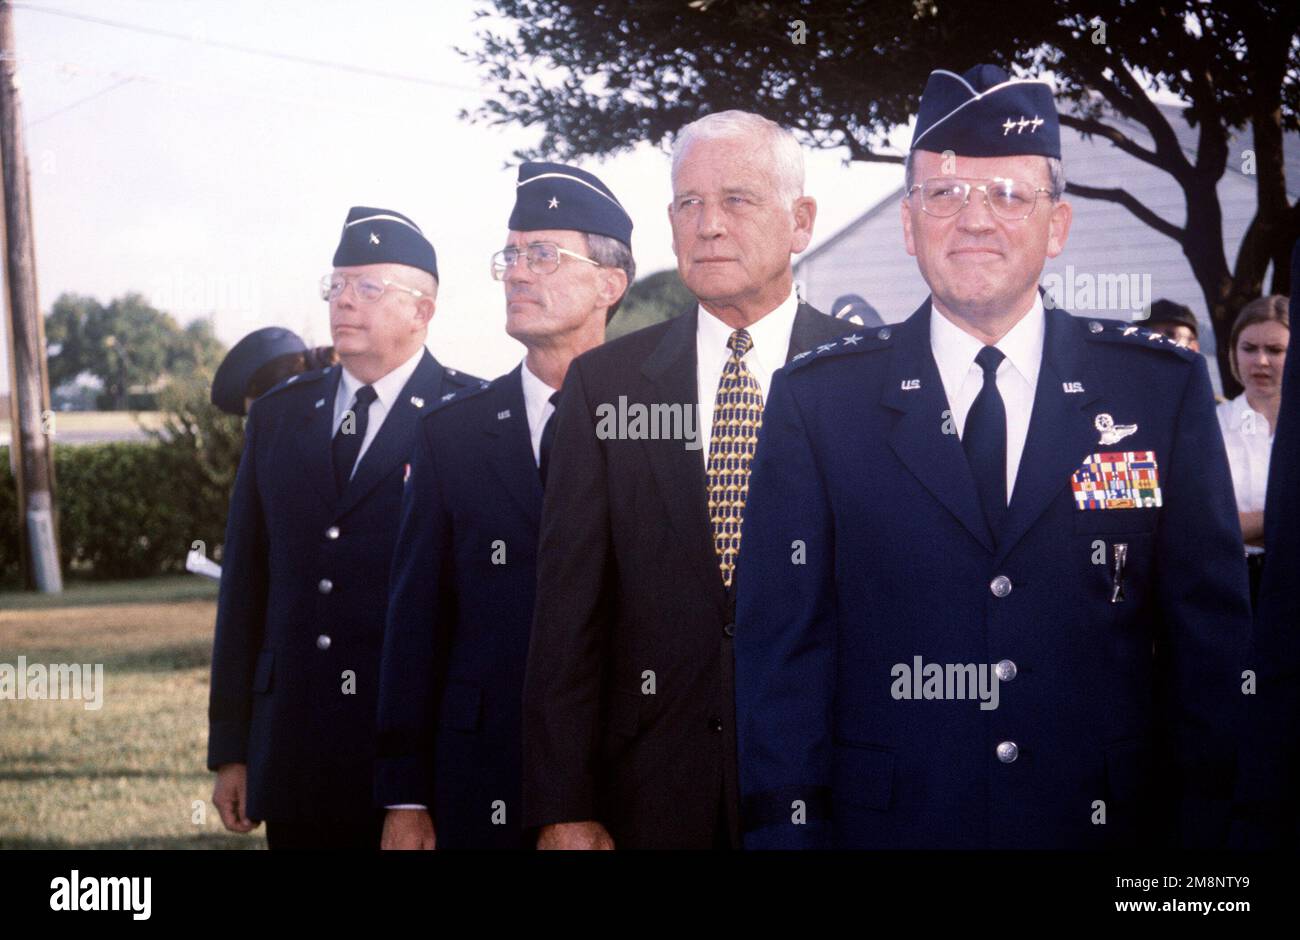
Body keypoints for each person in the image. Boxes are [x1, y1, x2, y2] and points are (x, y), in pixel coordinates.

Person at [733, 64, 1251, 849]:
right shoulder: (819, 402)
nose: (974, 220)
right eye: (943, 194)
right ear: (908, 225)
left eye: (1008, 194)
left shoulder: (1157, 392)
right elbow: (783, 661)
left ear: (1058, 226)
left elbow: (1207, 660)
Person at [521, 110, 857, 850]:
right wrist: (563, 803)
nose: (707, 226)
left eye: (737, 200)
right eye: (688, 203)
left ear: (800, 221)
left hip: (832, 794)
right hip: (650, 797)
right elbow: (567, 613)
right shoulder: (605, 388)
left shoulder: (868, 376)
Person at [375, 163, 633, 849]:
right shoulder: (451, 434)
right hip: (482, 778)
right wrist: (405, 796)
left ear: (610, 283)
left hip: (627, 779)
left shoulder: (660, 427)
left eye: (544, 254)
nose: (518, 273)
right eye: (511, 256)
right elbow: (415, 626)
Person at [207, 206, 479, 849]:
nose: (344, 303)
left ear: (423, 311)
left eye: (369, 288)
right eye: (337, 286)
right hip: (296, 750)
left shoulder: (469, 416)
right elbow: (244, 591)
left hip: (419, 761)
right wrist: (233, 750)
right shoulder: (278, 417)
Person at [1216, 294, 1289, 603]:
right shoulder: (1211, 425)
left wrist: (1250, 523)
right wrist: (1283, 519)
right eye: (1249, 348)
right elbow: (1208, 525)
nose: (1260, 361)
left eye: (1274, 350)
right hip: (1231, 585)